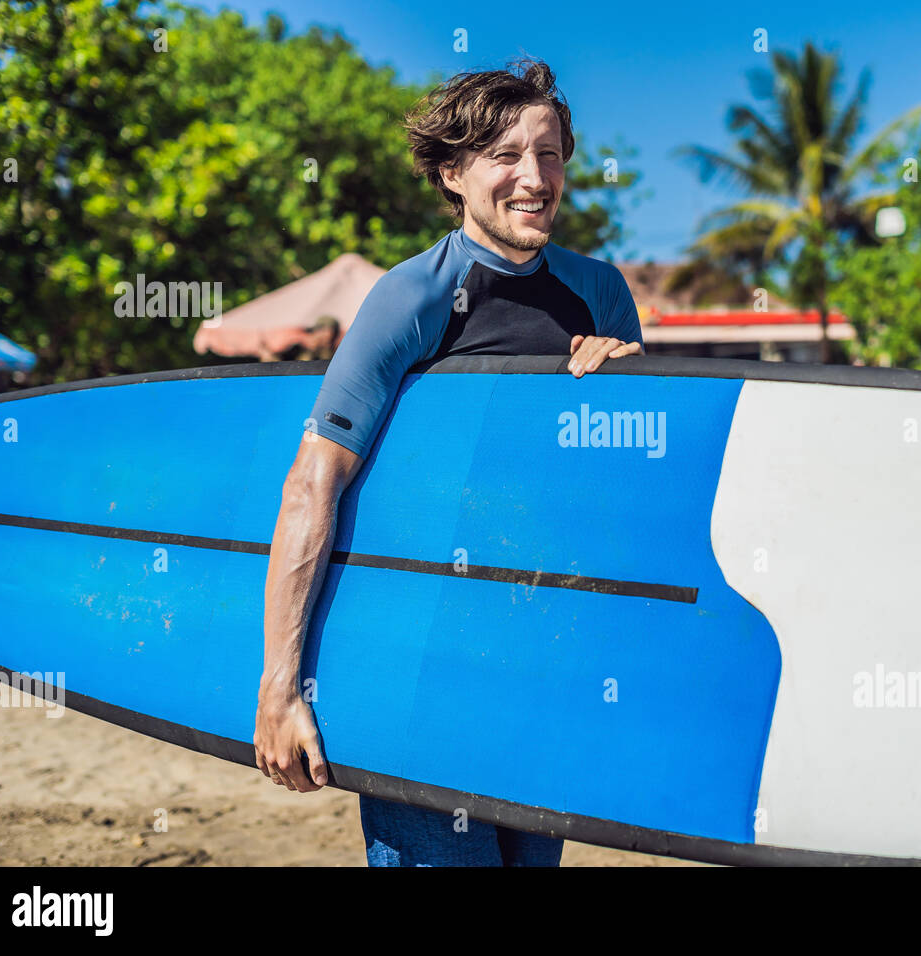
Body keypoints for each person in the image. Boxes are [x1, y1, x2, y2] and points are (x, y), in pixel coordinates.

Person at [253, 58, 643, 867]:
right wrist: (280, 686)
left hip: (542, 665)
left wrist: (630, 389)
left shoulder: (600, 294)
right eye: (506, 156)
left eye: (550, 154)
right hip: (417, 667)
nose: (535, 178)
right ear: (452, 173)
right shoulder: (412, 297)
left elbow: (631, 492)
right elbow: (313, 481)